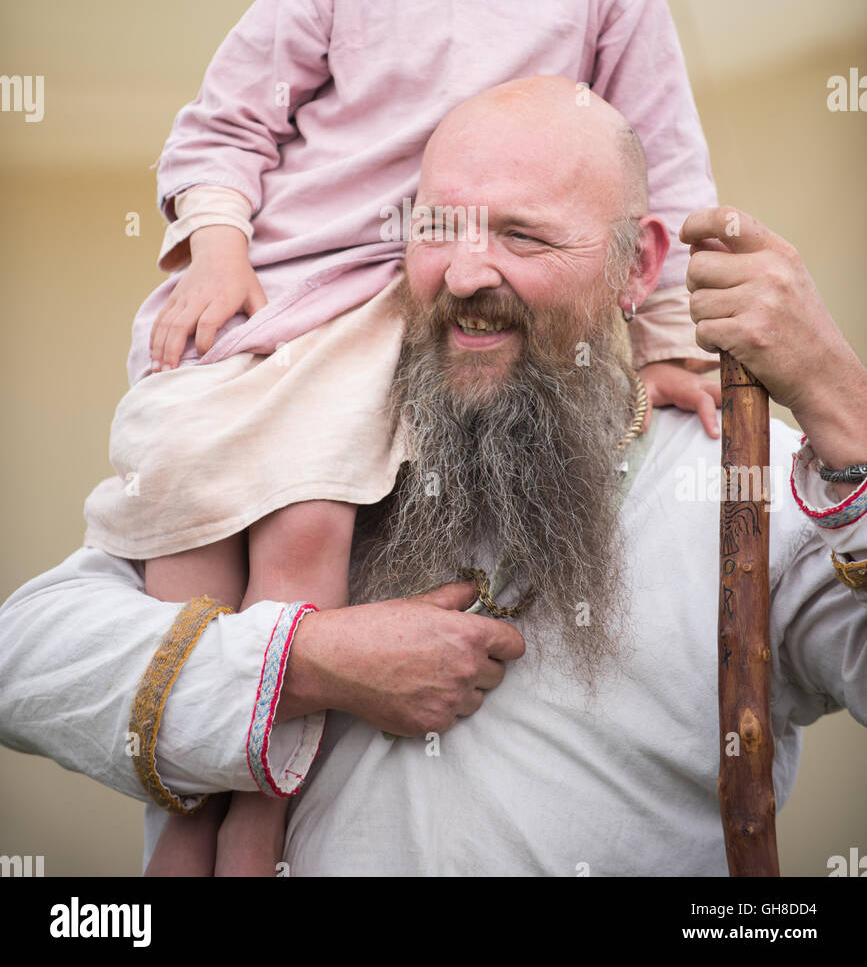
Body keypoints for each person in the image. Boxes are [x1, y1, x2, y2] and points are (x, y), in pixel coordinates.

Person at [84, 0, 727, 875]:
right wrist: (216, 247)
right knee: (183, 604)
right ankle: (175, 856)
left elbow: (664, 179)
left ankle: (254, 843)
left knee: (305, 552)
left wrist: (669, 343)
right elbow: (222, 127)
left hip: (394, 335)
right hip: (266, 323)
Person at [1, 81, 865, 876]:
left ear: (636, 267)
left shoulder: (739, 485)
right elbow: (28, 663)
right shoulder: (309, 440)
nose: (463, 275)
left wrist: (839, 402)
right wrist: (304, 662)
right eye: (437, 228)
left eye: (521, 234)